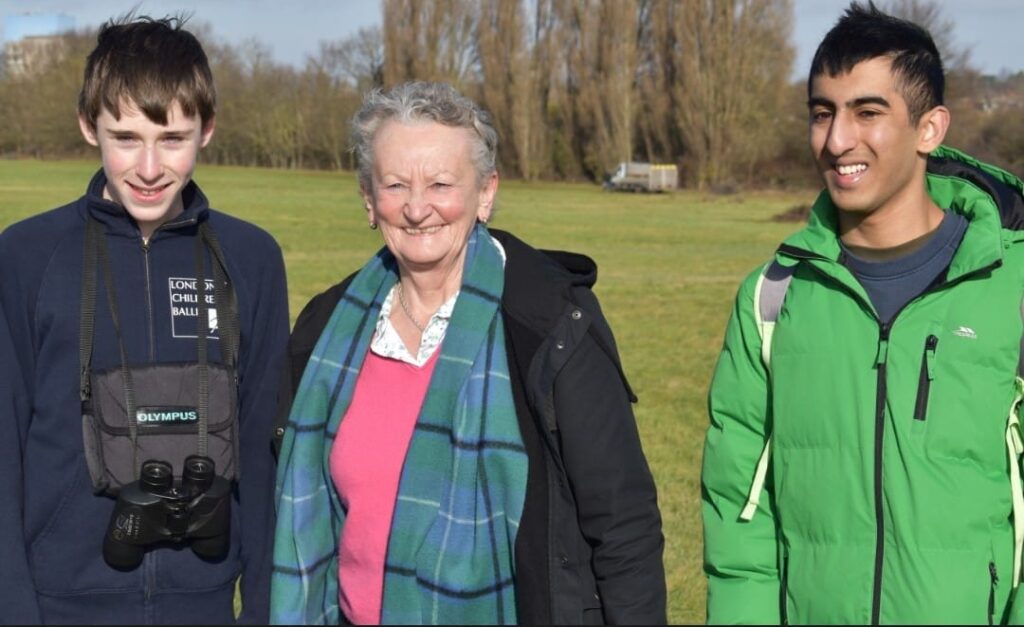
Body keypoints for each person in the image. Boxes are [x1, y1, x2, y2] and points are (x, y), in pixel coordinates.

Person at [270, 81, 666, 625]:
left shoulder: (550, 324)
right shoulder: (326, 330)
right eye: (395, 185)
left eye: (440, 184)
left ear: (485, 193)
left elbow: (623, 522)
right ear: (368, 199)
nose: (417, 209)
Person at [702, 1, 1024, 624]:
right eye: (822, 113)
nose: (837, 140)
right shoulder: (773, 297)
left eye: (867, 113)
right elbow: (738, 511)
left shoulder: (1012, 288)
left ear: (930, 129)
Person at [0, 14, 289, 624]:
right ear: (88, 126)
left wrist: (264, 608)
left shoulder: (251, 259)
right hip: (60, 603)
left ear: (207, 128)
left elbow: (265, 454)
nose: (150, 167)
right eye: (126, 138)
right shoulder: (26, 255)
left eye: (173, 138)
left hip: (204, 602)